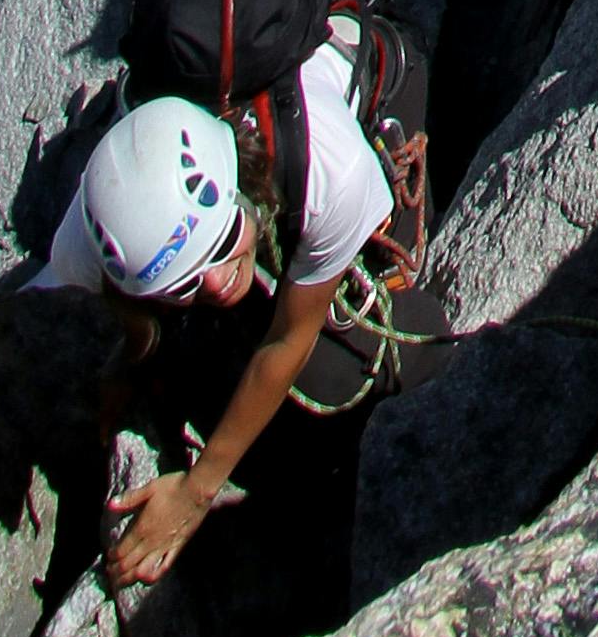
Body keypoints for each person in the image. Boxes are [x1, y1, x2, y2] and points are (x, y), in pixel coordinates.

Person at [42, 30, 423, 593]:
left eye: (221, 245)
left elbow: (287, 339)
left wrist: (195, 493)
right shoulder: (95, 241)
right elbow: (128, 306)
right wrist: (130, 364)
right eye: (185, 281)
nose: (219, 284)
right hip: (258, 190)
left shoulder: (332, 172)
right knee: (202, 347)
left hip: (374, 86)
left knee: (343, 373)